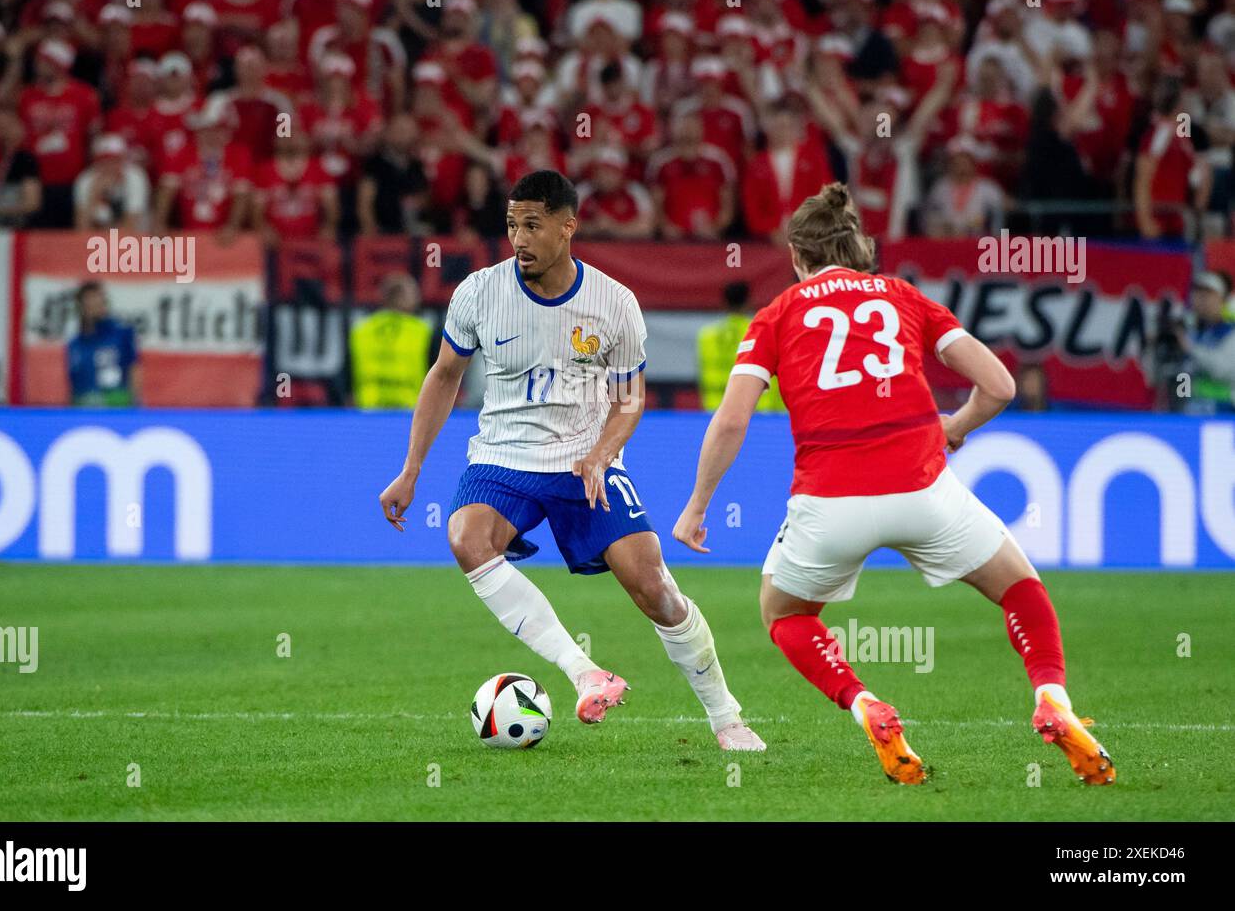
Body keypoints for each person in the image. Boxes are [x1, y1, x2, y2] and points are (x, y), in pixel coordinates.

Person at [671, 182, 1115, 785]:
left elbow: (732, 419)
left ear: (799, 258)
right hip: (923, 488)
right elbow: (1003, 387)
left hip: (831, 501)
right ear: (858, 249)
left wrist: (699, 504)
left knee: (782, 612)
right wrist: (954, 428)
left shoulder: (779, 313)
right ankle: (1053, 700)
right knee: (1019, 587)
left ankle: (865, 704)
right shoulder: (904, 297)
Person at [378, 170, 765, 751]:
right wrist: (411, 471)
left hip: (586, 458)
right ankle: (584, 672)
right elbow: (444, 377)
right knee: (465, 537)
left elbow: (630, 399)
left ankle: (726, 717)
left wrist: (602, 454)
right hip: (502, 457)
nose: (519, 238)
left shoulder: (614, 303)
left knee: (653, 585)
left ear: (568, 226)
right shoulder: (479, 293)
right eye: (511, 225)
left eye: (532, 225)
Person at [697, 281, 784, 412]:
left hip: (715, 411)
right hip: (759, 412)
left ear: (724, 303)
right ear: (748, 302)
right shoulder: (761, 331)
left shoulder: (706, 336)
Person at [349, 273, 432, 408]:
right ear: (399, 297)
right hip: (409, 408)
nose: (418, 299)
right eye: (413, 294)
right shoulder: (422, 330)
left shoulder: (361, 329)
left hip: (368, 407)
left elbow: (347, 371)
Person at [67, 282, 141, 407]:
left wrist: (135, 402)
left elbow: (134, 368)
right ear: (80, 307)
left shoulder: (121, 334)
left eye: (98, 302)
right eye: (88, 303)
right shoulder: (75, 344)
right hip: (83, 404)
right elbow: (74, 382)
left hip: (116, 401)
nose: (93, 307)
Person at [1175, 270, 1235, 413]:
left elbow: (1223, 369)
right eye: (1199, 295)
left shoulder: (1230, 332)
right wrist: (1182, 399)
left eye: (1208, 295)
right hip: (1194, 409)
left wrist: (1191, 349)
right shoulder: (1192, 331)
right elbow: (1184, 373)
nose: (1202, 300)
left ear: (1223, 300)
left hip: (1225, 410)